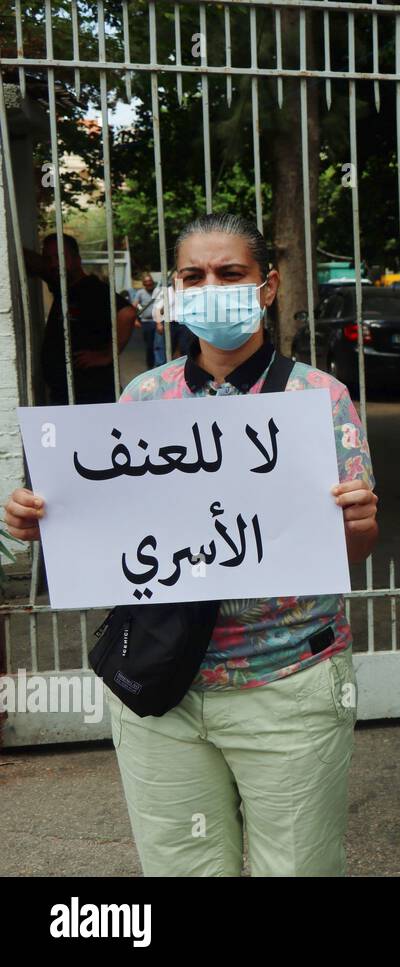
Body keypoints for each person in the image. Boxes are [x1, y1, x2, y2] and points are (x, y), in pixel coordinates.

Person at [4, 212, 379, 876]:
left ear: (267, 287)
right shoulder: (143, 397)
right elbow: (109, 527)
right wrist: (44, 521)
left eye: (230, 273)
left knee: (297, 867)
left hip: (288, 684)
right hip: (161, 690)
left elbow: (353, 548)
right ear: (174, 291)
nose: (212, 287)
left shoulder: (318, 398)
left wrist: (357, 524)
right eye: (193, 275)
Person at [25, 233, 134, 404]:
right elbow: (36, 264)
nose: (54, 263)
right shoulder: (62, 286)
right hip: (66, 396)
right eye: (48, 259)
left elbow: (127, 313)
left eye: (60, 257)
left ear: (77, 259)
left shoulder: (92, 289)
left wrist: (107, 354)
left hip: (93, 396)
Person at [132, 271, 164, 367]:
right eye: (146, 282)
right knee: (150, 346)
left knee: (160, 345)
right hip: (146, 323)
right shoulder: (140, 293)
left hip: (159, 321)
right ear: (143, 283)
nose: (149, 283)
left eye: (150, 281)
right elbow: (134, 306)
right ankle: (150, 367)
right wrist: (135, 320)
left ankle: (160, 365)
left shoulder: (158, 291)